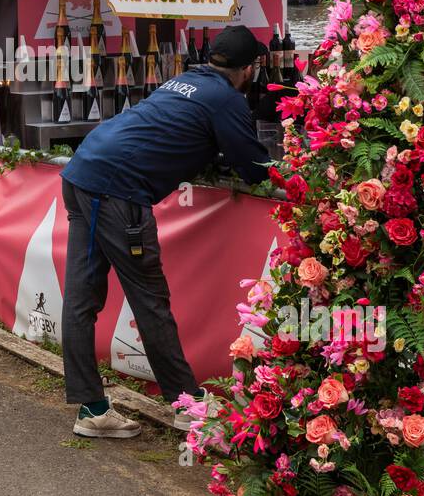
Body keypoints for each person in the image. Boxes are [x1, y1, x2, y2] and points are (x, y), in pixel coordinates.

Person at [59, 25, 271, 439]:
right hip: (118, 193)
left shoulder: (183, 80)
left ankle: (92, 409)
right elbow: (254, 166)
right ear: (249, 70)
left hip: (82, 172)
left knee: (81, 299)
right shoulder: (225, 98)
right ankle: (186, 405)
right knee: (149, 300)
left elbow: (172, 133)